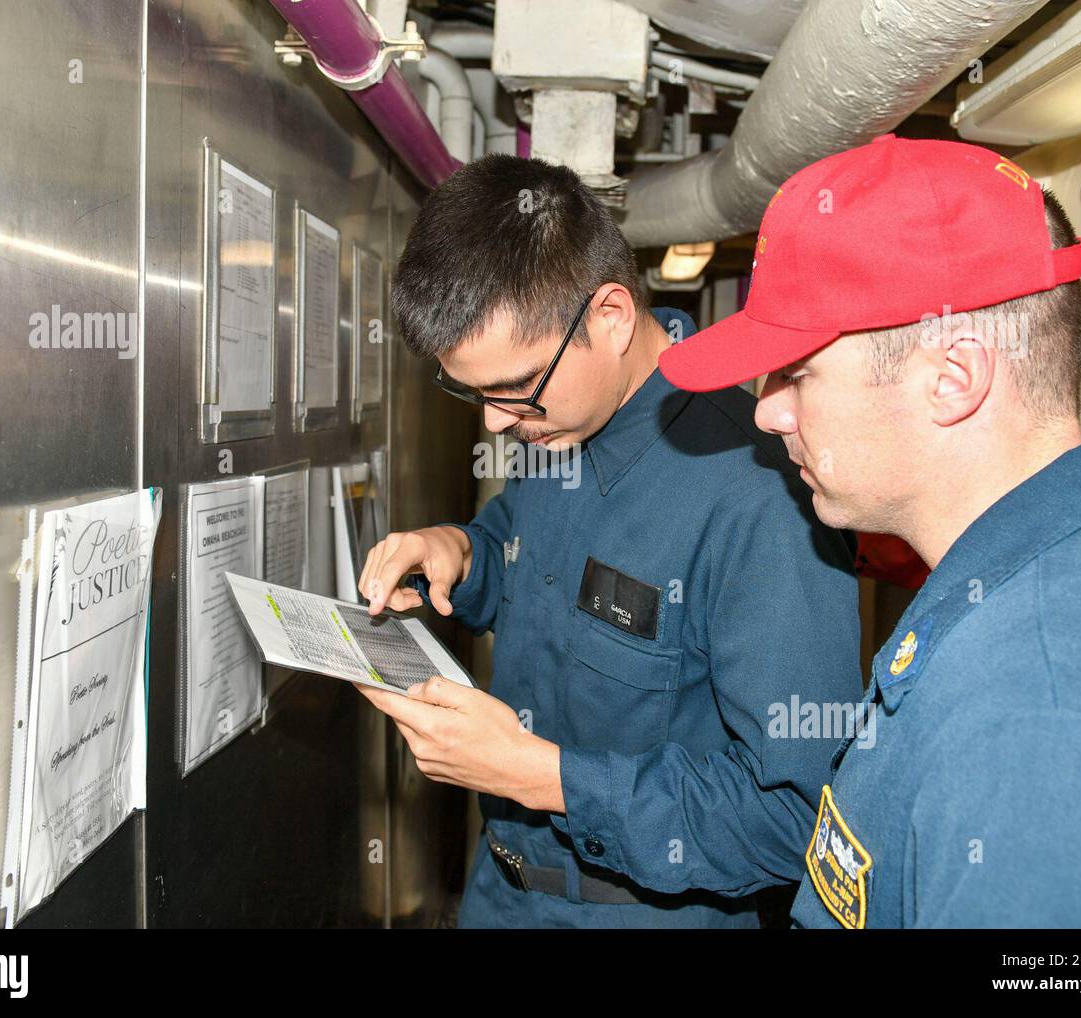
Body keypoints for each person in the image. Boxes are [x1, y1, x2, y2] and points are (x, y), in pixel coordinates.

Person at [660, 133, 1081, 928]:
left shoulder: (1045, 736)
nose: (767, 411)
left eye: (797, 373)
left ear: (952, 379)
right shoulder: (1026, 592)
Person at [355, 153, 862, 928]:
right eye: (474, 391)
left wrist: (547, 779)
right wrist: (460, 549)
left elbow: (793, 819)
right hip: (499, 893)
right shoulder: (556, 416)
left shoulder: (761, 493)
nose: (494, 421)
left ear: (613, 317)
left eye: (514, 386)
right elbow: (521, 550)